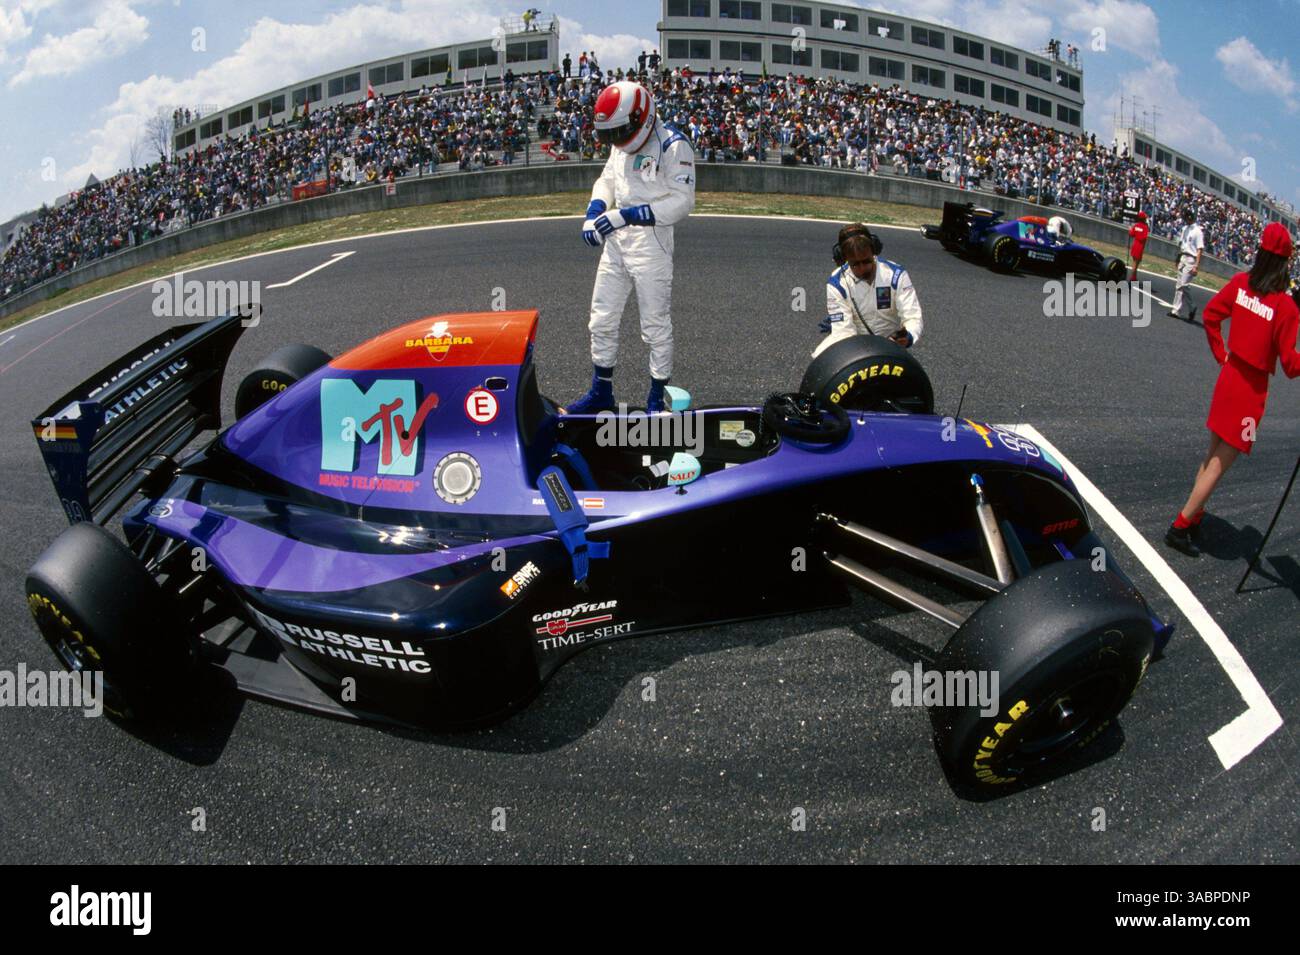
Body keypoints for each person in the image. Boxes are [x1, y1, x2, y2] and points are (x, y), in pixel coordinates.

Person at [1166, 222, 1300, 556]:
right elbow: (1290, 365)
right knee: (1220, 464)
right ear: (1285, 262)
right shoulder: (1286, 307)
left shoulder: (1240, 283)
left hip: (1229, 376)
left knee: (1212, 456)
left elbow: (1211, 316)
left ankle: (1193, 514)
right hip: (1251, 391)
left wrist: (1220, 354)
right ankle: (1180, 526)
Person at [566, 81, 696, 414]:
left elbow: (682, 202)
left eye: (620, 132)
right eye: (609, 135)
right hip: (616, 241)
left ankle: (657, 396)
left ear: (643, 115)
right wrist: (594, 211)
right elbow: (607, 179)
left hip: (651, 241)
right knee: (601, 318)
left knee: (654, 325)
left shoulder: (673, 146)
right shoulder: (619, 146)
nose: (617, 141)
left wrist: (627, 216)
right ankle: (601, 392)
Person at [814, 222, 923, 357]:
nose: (862, 268)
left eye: (866, 261)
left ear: (874, 251)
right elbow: (843, 331)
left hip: (891, 345)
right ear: (843, 259)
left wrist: (908, 337)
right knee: (819, 361)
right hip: (853, 345)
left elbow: (913, 316)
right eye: (855, 264)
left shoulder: (896, 275)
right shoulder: (836, 283)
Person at [1169, 206, 1204, 320]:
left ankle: (1191, 306)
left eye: (1186, 217)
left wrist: (1196, 265)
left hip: (1191, 259)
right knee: (1179, 285)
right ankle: (1176, 310)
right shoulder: (1185, 229)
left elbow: (1199, 249)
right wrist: (1178, 258)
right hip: (1183, 257)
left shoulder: (1197, 231)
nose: (1185, 220)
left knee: (1184, 284)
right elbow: (1182, 244)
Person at [1128, 210, 1149, 281]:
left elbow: (1131, 234)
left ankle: (1134, 278)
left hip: (1135, 245)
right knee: (1135, 264)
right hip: (1140, 247)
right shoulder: (1145, 227)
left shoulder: (1136, 225)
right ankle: (1132, 279)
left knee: (1135, 262)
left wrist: (1130, 229)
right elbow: (1144, 237)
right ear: (1143, 219)